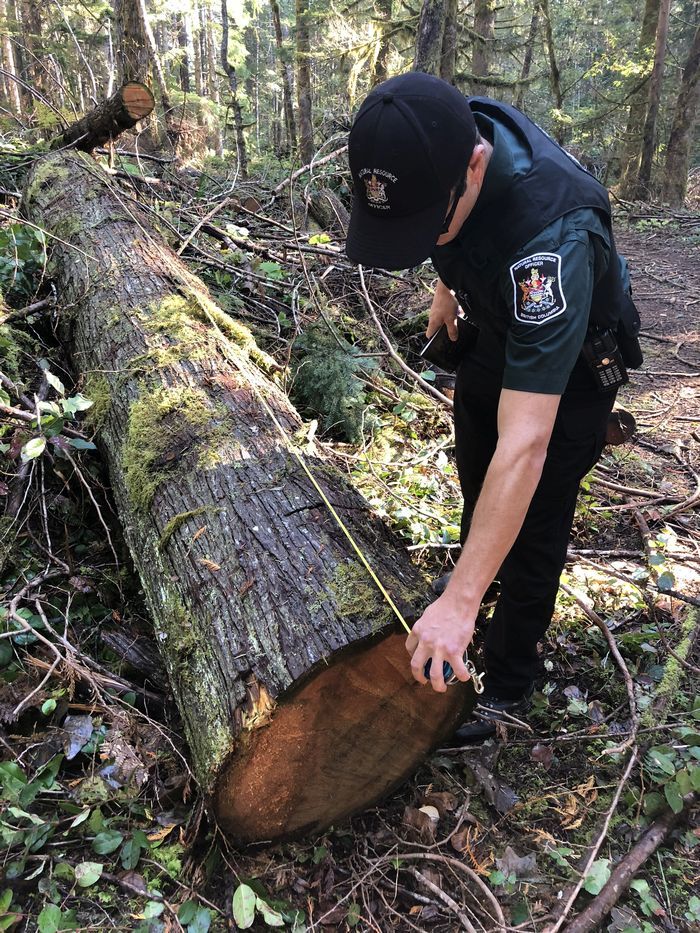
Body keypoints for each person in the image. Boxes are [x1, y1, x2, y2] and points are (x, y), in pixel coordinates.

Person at [345, 71, 641, 741]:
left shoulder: (551, 244)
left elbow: (526, 444)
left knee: (534, 518)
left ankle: (508, 679)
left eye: (429, 227)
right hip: (491, 325)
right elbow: (439, 223)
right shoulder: (439, 128)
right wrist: (447, 289)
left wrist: (459, 598)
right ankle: (479, 581)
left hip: (567, 372)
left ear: (475, 167)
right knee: (478, 473)